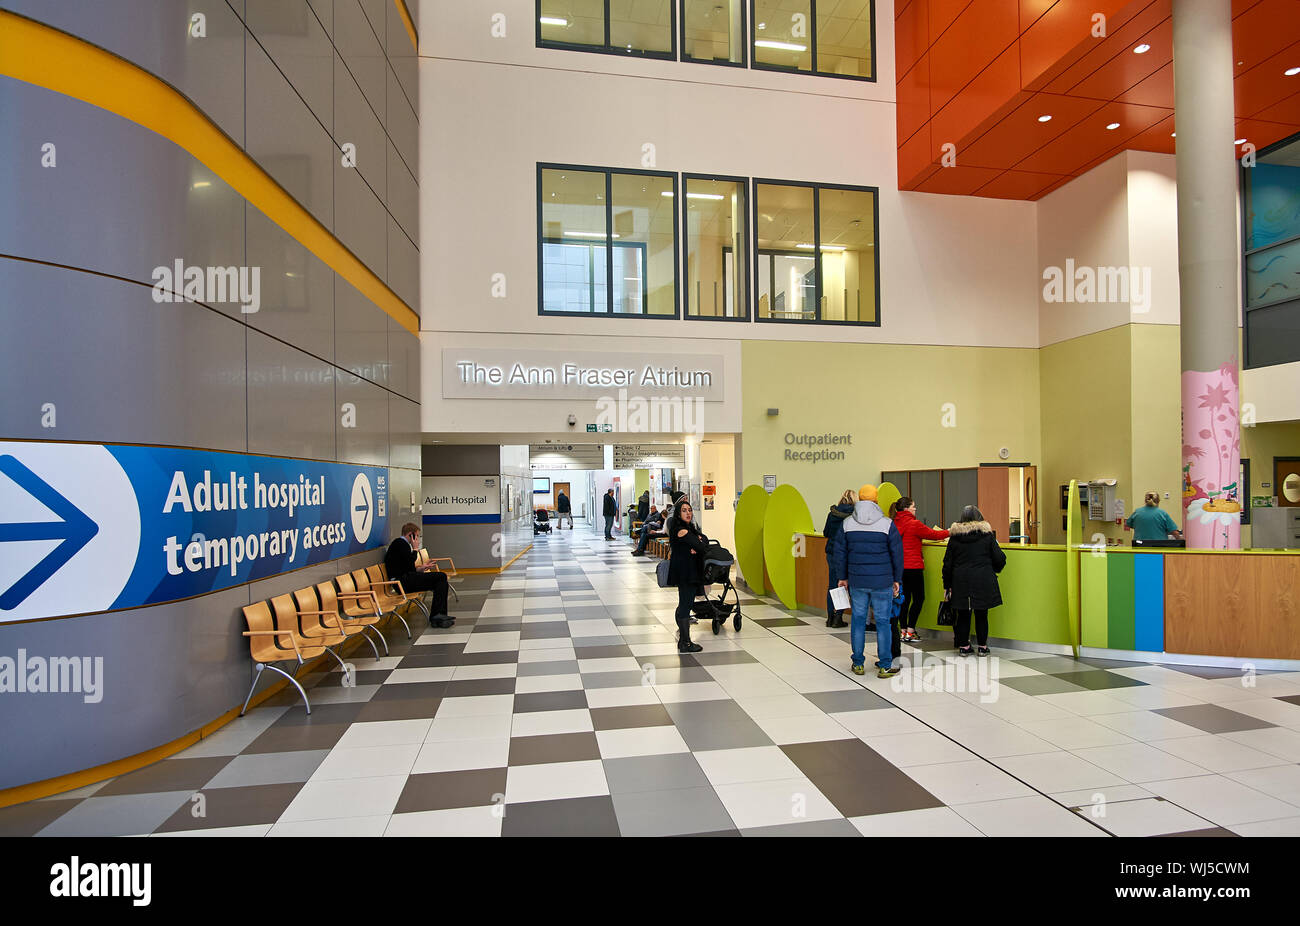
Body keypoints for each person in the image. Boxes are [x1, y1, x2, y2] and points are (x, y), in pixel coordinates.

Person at [830, 484, 903, 678]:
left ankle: (858, 663)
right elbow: (897, 554)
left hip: (857, 581)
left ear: (860, 500)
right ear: (876, 500)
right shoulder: (887, 524)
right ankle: (885, 665)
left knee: (858, 621)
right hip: (883, 582)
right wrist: (897, 579)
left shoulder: (847, 524)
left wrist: (842, 577)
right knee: (883, 623)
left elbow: (840, 553)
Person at [942, 505, 1006, 657]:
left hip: (960, 581)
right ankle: (983, 647)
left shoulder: (955, 538)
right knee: (981, 614)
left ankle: (964, 646)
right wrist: (993, 569)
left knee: (963, 614)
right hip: (983, 579)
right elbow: (999, 559)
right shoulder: (987, 536)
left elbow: (947, 564)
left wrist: (947, 585)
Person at [891, 496, 949, 643]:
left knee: (903, 599)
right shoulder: (914, 524)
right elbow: (935, 535)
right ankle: (911, 631)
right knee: (919, 598)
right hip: (914, 567)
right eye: (913, 506)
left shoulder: (893, 523)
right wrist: (950, 531)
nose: (915, 509)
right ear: (906, 508)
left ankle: (903, 630)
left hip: (899, 568)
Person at [383, 523, 454, 628]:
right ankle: (437, 615)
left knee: (440, 581)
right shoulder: (400, 544)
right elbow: (410, 561)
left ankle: (439, 615)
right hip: (401, 582)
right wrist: (415, 549)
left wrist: (421, 568)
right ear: (411, 535)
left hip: (406, 578)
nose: (418, 540)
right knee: (440, 577)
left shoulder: (402, 545)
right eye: (416, 536)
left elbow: (407, 566)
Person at [667, 498, 709, 653]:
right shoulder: (681, 529)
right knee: (686, 604)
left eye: (690, 510)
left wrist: (697, 544)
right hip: (686, 572)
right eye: (684, 510)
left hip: (687, 570)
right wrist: (696, 545)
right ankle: (685, 642)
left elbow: (703, 541)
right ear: (678, 513)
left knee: (685, 603)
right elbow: (702, 546)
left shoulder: (688, 527)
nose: (688, 513)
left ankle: (684, 640)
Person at [822, 489, 856, 628]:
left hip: (831, 552)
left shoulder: (832, 513)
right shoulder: (854, 515)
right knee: (843, 585)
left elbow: (826, 533)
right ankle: (838, 618)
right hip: (846, 553)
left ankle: (830, 617)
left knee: (832, 585)